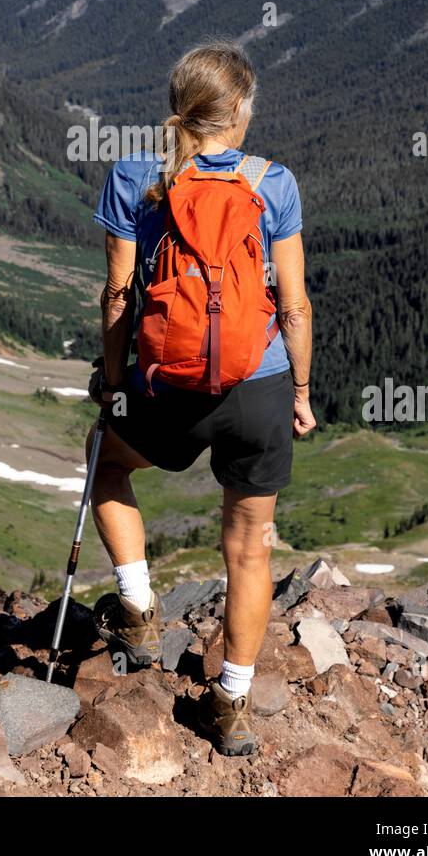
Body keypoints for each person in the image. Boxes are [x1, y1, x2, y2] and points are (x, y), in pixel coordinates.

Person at [86, 41, 316, 756]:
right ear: (240, 110)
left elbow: (120, 294)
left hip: (168, 384)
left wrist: (115, 379)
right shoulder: (272, 184)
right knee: (249, 550)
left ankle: (138, 608)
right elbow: (296, 306)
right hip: (260, 386)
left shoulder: (134, 177)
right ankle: (231, 706)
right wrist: (301, 394)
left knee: (105, 459)